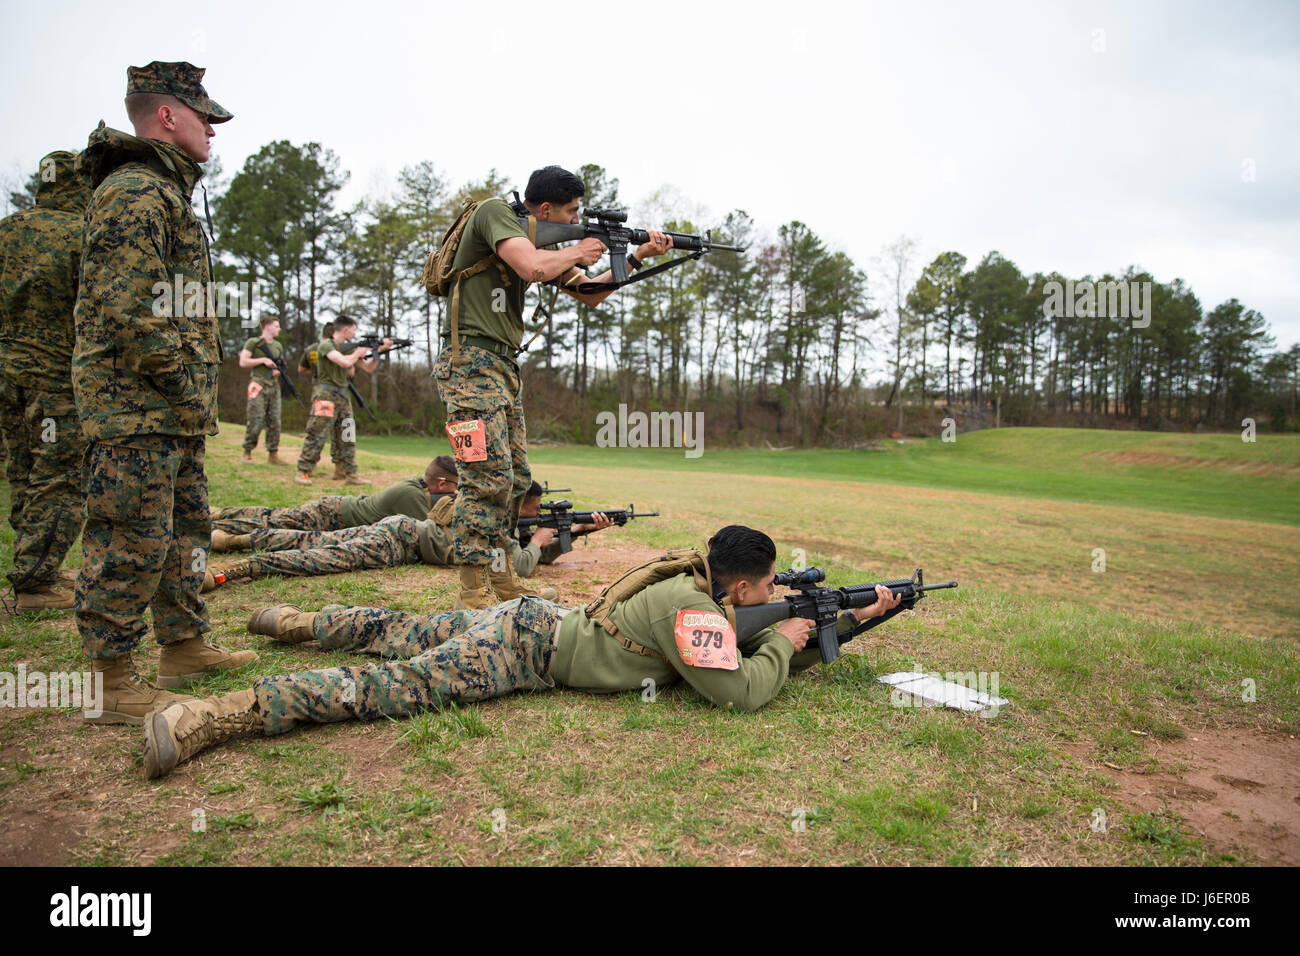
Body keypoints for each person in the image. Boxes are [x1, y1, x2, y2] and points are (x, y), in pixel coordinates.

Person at [142, 525, 902, 777]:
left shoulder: (692, 574)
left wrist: (856, 617)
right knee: (391, 686)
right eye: (768, 589)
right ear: (741, 587)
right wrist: (789, 643)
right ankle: (212, 715)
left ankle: (295, 621)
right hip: (526, 653)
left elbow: (743, 639)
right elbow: (737, 690)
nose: (774, 598)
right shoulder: (689, 606)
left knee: (401, 630)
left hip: (533, 619)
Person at [72, 61, 256, 723]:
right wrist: (181, 385)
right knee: (131, 535)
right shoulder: (136, 191)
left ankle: (184, 647)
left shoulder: (165, 192)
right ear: (170, 117)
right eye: (205, 118)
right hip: (137, 406)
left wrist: (190, 398)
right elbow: (128, 312)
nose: (213, 131)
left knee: (184, 532)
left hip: (171, 410)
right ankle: (111, 681)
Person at [436, 166, 673, 610]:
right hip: (468, 364)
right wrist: (579, 249)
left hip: (502, 367)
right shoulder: (493, 214)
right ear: (545, 210)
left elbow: (590, 294)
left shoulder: (548, 246)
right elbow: (532, 265)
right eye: (571, 213)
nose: (573, 222)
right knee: (484, 476)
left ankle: (502, 580)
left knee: (516, 479)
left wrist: (637, 255)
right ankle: (472, 589)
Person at [0, 150, 92, 609]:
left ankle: (31, 565)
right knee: (59, 476)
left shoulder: (8, 230)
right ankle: (35, 581)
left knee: (23, 470)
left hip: (7, 377)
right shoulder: (82, 234)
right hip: (53, 380)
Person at [210, 455, 457, 538]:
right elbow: (429, 530)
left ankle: (219, 513)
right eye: (455, 485)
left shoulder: (419, 486)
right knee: (273, 521)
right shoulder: (410, 494)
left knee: (274, 516)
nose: (456, 491)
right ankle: (215, 522)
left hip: (336, 510)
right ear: (443, 483)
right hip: (331, 515)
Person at [295, 314, 391, 487]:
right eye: (353, 330)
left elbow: (368, 368)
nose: (355, 335)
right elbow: (344, 363)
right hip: (325, 396)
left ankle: (350, 473)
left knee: (347, 434)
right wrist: (358, 353)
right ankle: (303, 471)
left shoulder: (348, 349)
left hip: (342, 395)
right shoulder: (326, 346)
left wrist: (378, 351)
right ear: (345, 329)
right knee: (317, 433)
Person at [511, 480, 616, 577]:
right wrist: (537, 540)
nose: (539, 512)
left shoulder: (518, 526)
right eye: (536, 508)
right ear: (519, 508)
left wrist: (581, 527)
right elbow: (521, 569)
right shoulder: (504, 527)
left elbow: (542, 556)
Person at [238, 314, 288, 465]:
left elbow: (280, 365)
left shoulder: (278, 346)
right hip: (258, 384)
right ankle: (247, 452)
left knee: (275, 421)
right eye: (276, 326)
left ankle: (273, 454)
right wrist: (263, 360)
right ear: (267, 327)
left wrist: (278, 371)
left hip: (273, 384)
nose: (279, 329)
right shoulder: (253, 342)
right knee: (256, 419)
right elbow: (243, 362)